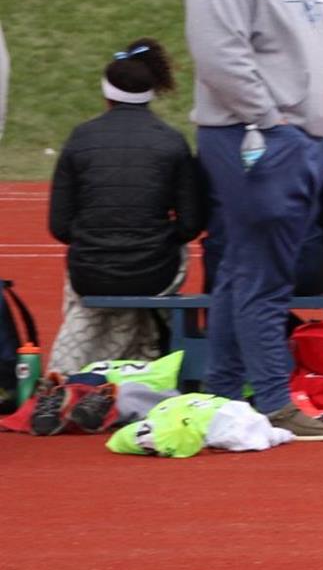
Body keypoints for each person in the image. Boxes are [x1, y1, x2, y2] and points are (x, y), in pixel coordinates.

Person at [186, 0, 323, 442]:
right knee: (267, 276)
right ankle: (274, 399)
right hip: (253, 139)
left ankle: (223, 392)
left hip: (303, 142)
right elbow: (220, 55)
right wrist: (272, 121)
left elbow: (322, 45)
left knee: (241, 270)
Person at [46, 40, 206, 373]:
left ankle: (82, 367)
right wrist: (154, 239)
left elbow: (60, 226)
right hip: (154, 273)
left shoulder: (80, 137)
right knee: (170, 257)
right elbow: (192, 223)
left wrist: (97, 239)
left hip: (90, 274)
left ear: (107, 95)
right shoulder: (172, 141)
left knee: (83, 269)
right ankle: (147, 353)